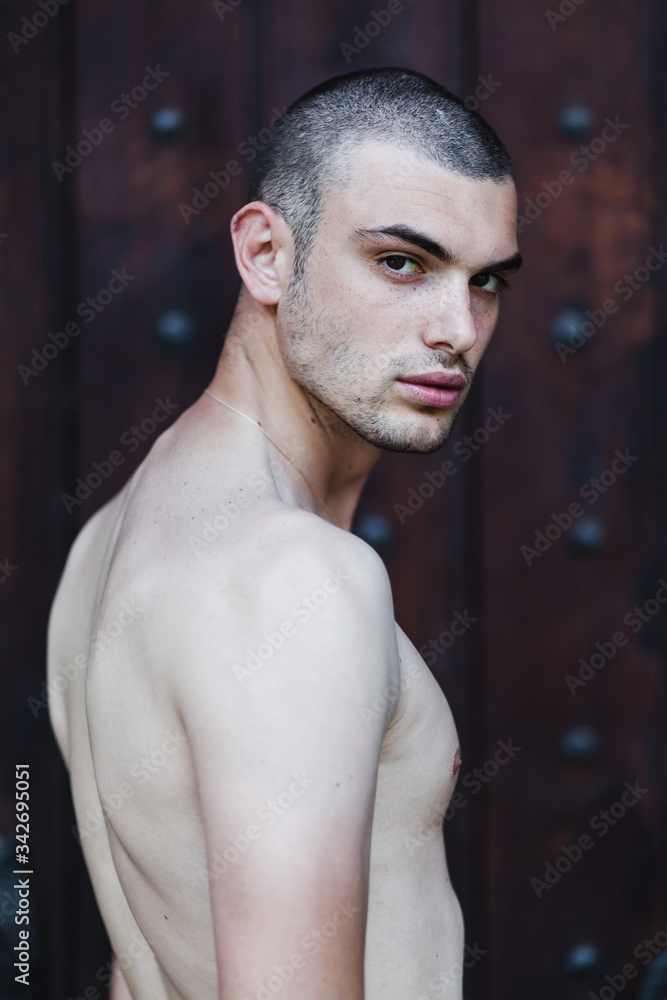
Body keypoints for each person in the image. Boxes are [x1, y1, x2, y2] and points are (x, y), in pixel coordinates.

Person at [47, 66, 521, 1000]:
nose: (457, 328)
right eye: (402, 263)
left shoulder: (107, 541)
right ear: (265, 253)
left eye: (488, 282)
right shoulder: (296, 581)